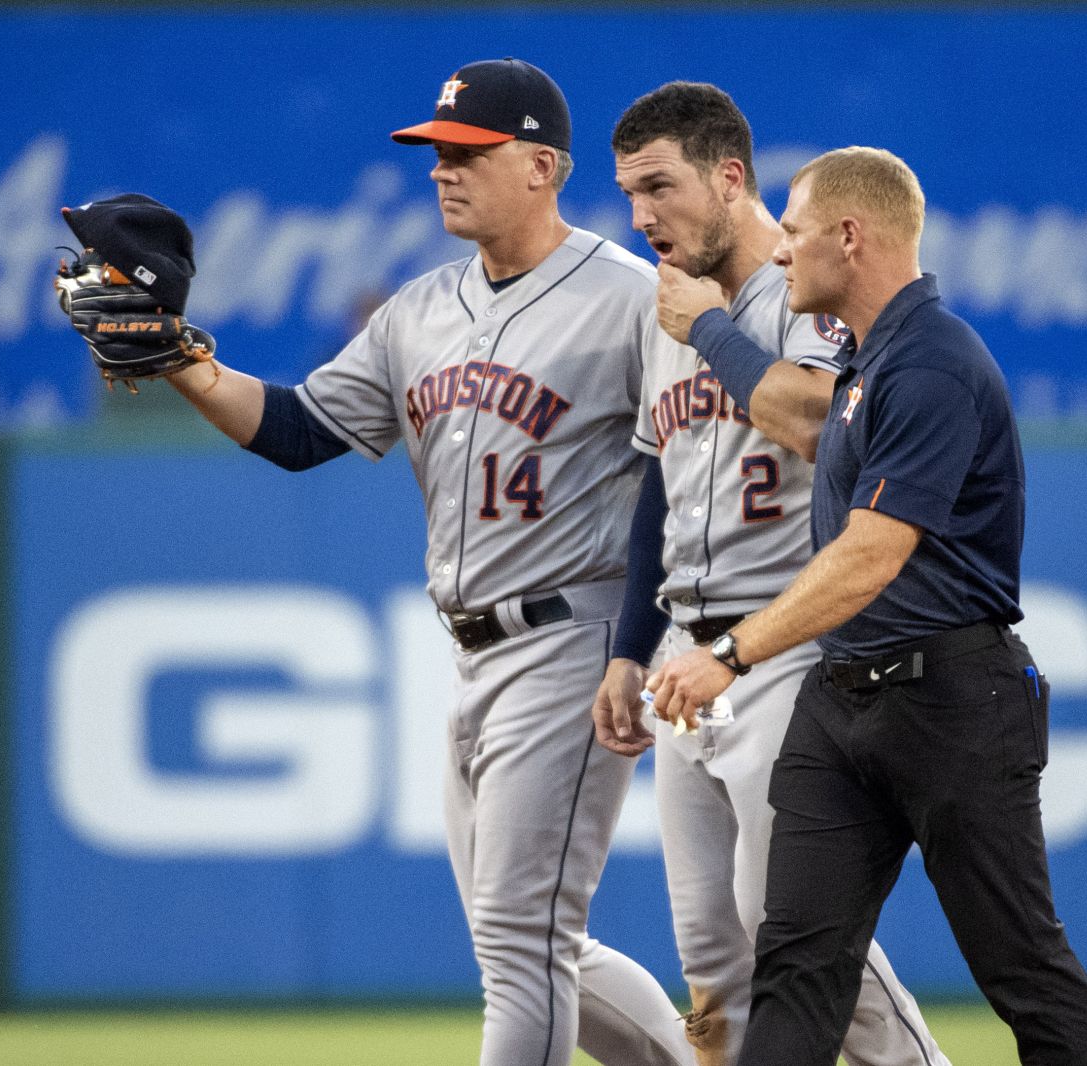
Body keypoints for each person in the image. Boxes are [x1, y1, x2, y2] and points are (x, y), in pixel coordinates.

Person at [62, 59, 696, 1066]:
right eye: (436, 152)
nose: (442, 169)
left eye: (467, 153)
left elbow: (677, 474)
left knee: (520, 947)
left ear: (541, 166)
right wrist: (182, 357)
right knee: (534, 947)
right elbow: (298, 429)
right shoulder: (419, 309)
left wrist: (635, 648)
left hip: (573, 637)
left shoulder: (630, 298)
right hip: (472, 654)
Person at [644, 147, 1087, 1066]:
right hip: (842, 697)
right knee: (794, 963)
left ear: (851, 237)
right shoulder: (866, 361)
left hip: (952, 700)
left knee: (1020, 965)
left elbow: (872, 555)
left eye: (796, 230)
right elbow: (799, 418)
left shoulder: (932, 362)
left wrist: (730, 653)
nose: (781, 250)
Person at [594, 83, 948, 1066]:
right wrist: (628, 649)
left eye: (658, 187)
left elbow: (810, 420)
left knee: (787, 925)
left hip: (784, 645)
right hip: (684, 650)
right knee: (711, 953)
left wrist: (711, 330)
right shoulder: (664, 307)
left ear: (728, 178)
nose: (640, 216)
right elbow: (660, 487)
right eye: (628, 194)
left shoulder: (803, 293)